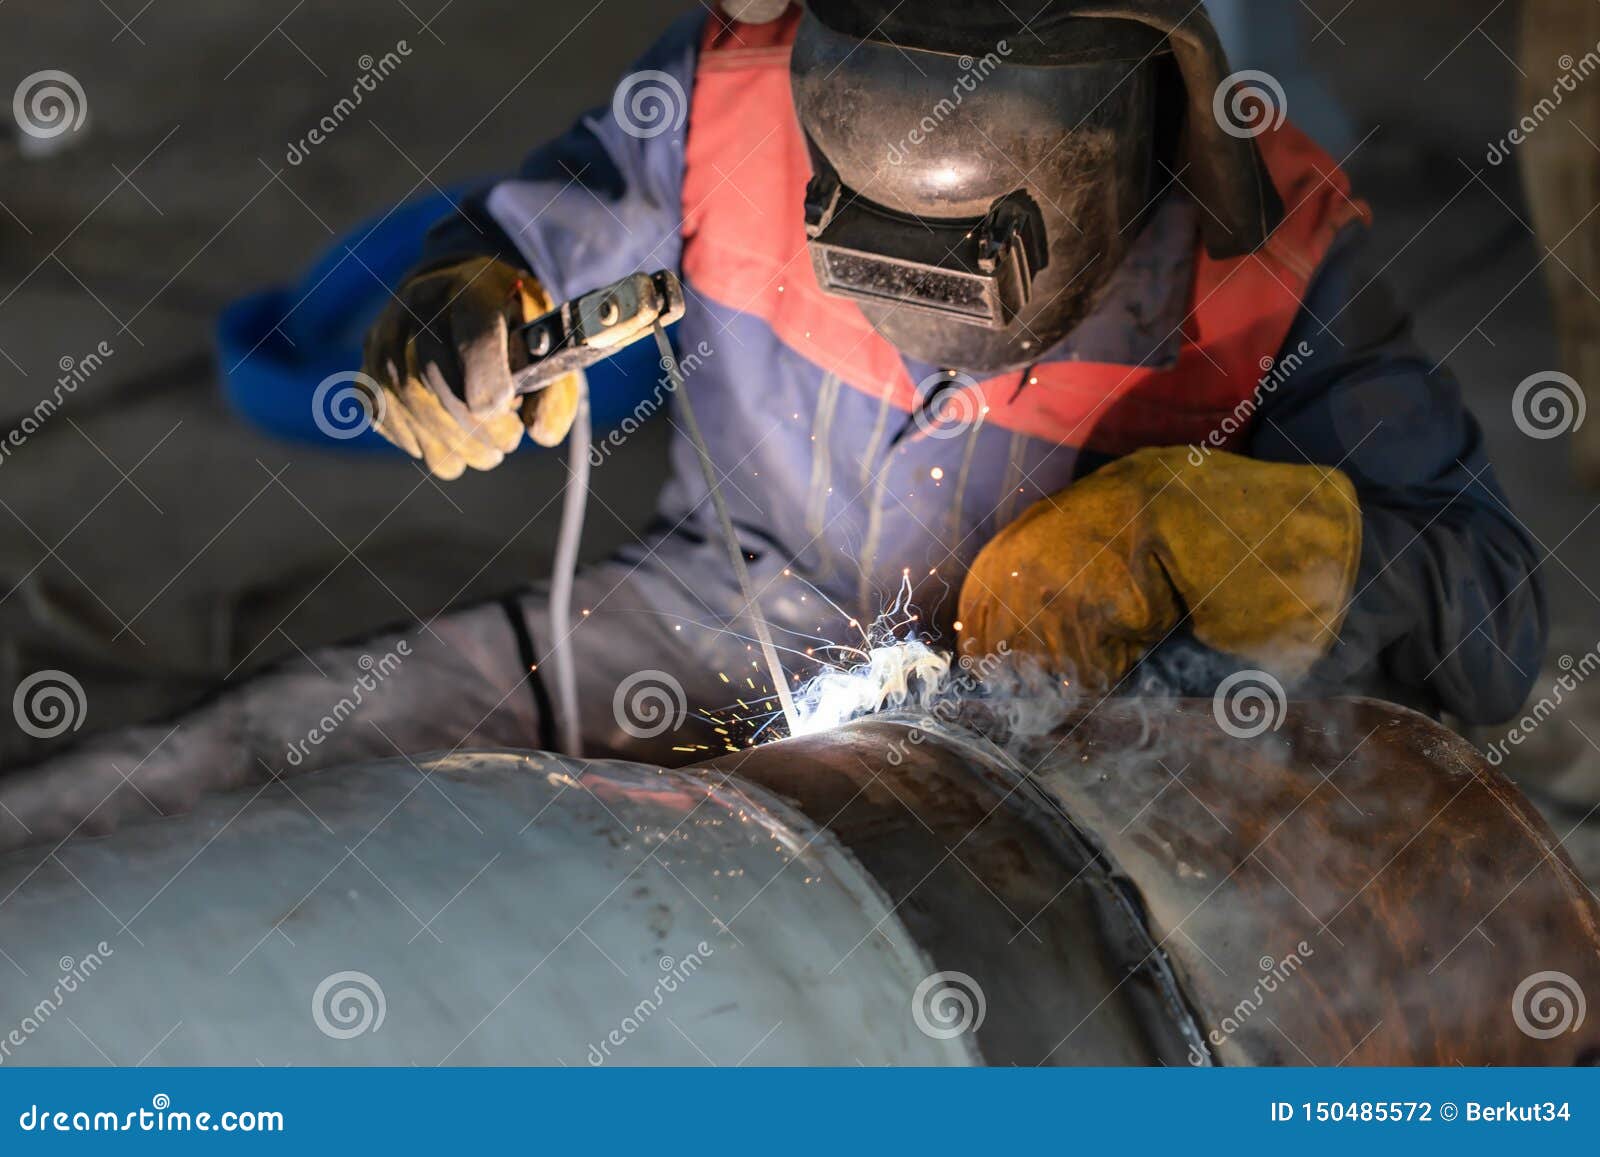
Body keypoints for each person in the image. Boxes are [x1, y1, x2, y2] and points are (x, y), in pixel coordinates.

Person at [0, 0, 1544, 851]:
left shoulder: (1275, 272)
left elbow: (1496, 626)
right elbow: (545, 228)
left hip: (1079, 742)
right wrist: (469, 297)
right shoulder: (725, 99)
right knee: (298, 758)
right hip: (723, 617)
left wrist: (1247, 530)